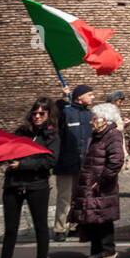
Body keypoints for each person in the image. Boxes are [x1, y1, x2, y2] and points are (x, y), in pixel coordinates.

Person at [0, 98, 61, 258]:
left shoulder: (52, 136)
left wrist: (22, 164)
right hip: (13, 184)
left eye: (41, 113)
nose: (37, 116)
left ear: (48, 115)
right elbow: (7, 148)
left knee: (40, 228)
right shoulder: (21, 132)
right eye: (34, 113)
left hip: (36, 185)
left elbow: (49, 161)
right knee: (10, 229)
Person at [67, 106, 124, 258]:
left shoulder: (112, 135)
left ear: (104, 120)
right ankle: (97, 251)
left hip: (101, 186)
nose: (90, 121)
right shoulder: (97, 134)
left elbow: (116, 160)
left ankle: (109, 252)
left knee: (103, 218)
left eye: (94, 119)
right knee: (92, 218)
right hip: (90, 184)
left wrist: (102, 180)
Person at [53, 84, 95, 242]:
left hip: (83, 163)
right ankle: (59, 228)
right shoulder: (66, 112)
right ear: (79, 96)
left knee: (78, 197)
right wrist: (64, 98)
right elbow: (56, 114)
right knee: (64, 197)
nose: (93, 97)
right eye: (89, 94)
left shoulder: (89, 114)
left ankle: (74, 226)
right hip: (65, 162)